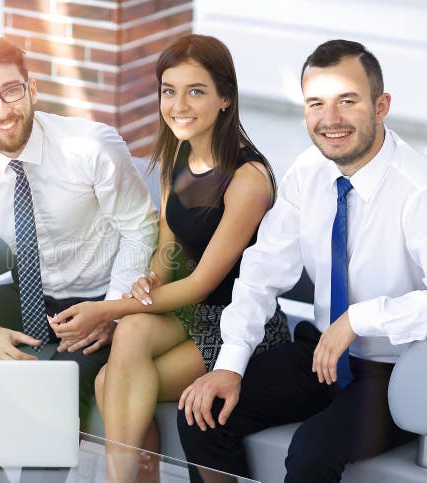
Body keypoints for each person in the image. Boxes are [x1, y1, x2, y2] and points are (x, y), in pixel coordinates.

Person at [176, 39, 427, 482]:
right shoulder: (309, 171)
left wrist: (360, 318)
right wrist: (229, 364)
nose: (330, 120)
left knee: (311, 454)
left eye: (348, 102)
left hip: (394, 373)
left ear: (381, 106)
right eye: (315, 104)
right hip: (321, 352)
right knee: (202, 413)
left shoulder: (420, 191)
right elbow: (262, 272)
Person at [49, 34, 291, 482]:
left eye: (195, 91)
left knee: (109, 383)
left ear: (225, 98)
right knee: (135, 330)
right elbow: (170, 239)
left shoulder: (248, 179)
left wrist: (110, 308)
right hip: (185, 311)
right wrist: (150, 280)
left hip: (236, 322)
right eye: (169, 90)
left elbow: (203, 284)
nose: (178, 104)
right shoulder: (179, 150)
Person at [0, 36, 158, 422]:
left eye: (11, 91)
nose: (2, 109)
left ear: (33, 90)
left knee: (52, 404)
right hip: (34, 296)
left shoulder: (92, 146)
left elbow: (140, 230)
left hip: (102, 298)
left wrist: (110, 312)